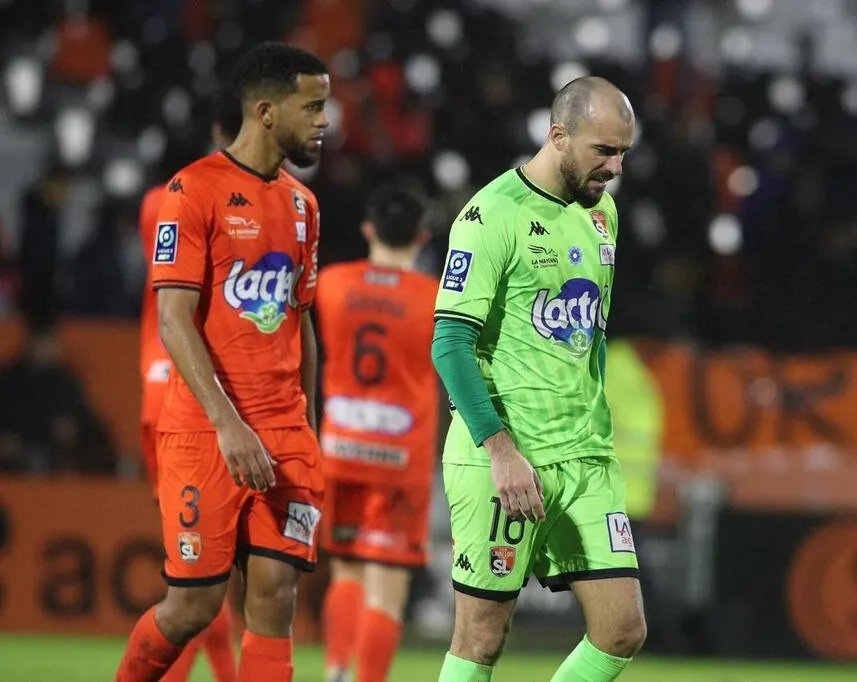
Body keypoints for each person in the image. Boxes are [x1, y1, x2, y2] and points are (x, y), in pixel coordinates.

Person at [115, 41, 329, 682]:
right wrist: (228, 422)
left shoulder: (303, 206)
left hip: (284, 431)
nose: (324, 121)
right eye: (312, 107)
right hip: (207, 433)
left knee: (276, 597)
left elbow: (303, 320)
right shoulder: (193, 190)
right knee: (192, 607)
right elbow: (173, 318)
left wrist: (308, 424)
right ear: (267, 111)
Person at [432, 76, 646, 682]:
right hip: (507, 457)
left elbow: (588, 340)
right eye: (603, 150)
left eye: (623, 151)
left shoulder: (601, 212)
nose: (616, 167)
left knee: (621, 630)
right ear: (558, 135)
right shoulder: (490, 215)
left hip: (585, 459)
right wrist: (500, 451)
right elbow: (449, 344)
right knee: (481, 637)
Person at [135, 87, 242, 682]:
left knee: (191, 561)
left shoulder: (159, 199)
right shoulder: (208, 196)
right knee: (206, 568)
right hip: (203, 388)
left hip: (160, 385)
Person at [315, 185, 438, 682]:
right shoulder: (433, 298)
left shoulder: (331, 283)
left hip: (340, 447)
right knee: (387, 587)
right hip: (399, 456)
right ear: (422, 237)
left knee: (344, 569)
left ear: (368, 230)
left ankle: (336, 670)